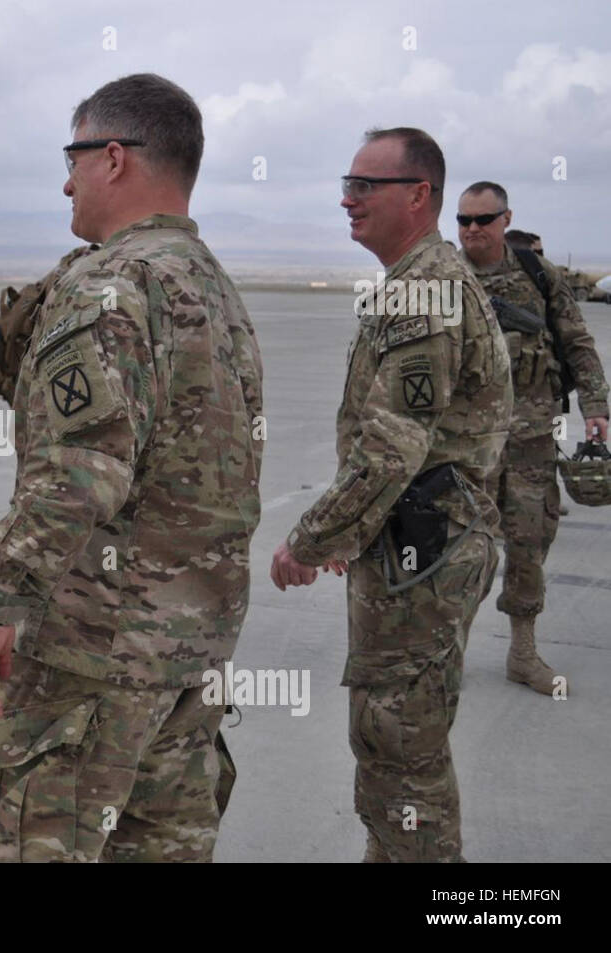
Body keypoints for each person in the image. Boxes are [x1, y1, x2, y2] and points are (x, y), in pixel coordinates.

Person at [0, 73, 263, 863]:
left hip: (94, 655)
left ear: (114, 158)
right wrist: (9, 538)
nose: (66, 180)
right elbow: (163, 470)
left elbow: (81, 471)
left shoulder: (108, 285)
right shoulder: (215, 290)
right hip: (190, 656)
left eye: (74, 156)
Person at [270, 128, 511, 862]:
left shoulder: (424, 293)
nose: (348, 197)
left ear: (418, 195)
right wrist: (360, 532)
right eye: (346, 182)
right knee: (395, 743)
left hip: (426, 555)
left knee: (400, 753)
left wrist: (311, 540)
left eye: (365, 185)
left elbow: (390, 449)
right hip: (415, 544)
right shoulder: (417, 280)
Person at [459, 182, 609, 693]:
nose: (472, 229)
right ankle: (444, 653)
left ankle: (522, 653)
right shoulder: (443, 278)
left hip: (530, 443)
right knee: (459, 548)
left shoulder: (537, 275)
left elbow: (577, 343)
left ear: (506, 219)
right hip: (465, 447)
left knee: (528, 542)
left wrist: (597, 408)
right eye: (463, 220)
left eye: (483, 219)